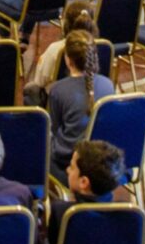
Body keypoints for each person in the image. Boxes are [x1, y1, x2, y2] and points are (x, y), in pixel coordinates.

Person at [43, 29, 115, 176]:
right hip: (99, 155)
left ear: (68, 60)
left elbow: (56, 129)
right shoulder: (108, 84)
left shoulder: (58, 89)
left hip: (68, 157)